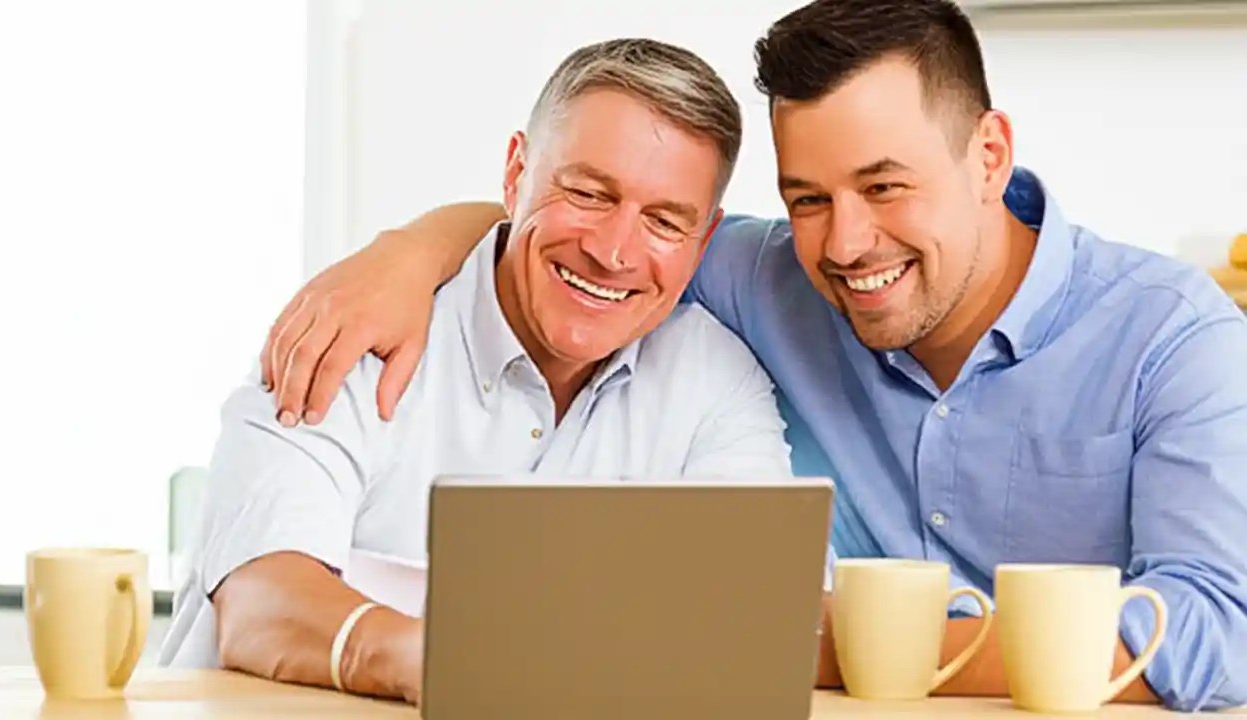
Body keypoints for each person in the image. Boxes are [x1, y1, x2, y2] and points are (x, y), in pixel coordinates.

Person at [257, 0, 1247, 712]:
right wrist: (404, 253)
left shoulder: (1174, 340)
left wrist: (833, 643)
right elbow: (595, 235)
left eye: (885, 186)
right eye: (806, 197)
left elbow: (1216, 631)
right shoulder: (768, 273)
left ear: (987, 153)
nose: (846, 245)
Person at [157, 38, 798, 704]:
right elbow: (260, 600)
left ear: (706, 237)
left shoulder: (716, 380)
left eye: (665, 221)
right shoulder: (357, 329)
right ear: (516, 173)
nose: (613, 252)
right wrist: (431, 657)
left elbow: (760, 611)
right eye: (585, 192)